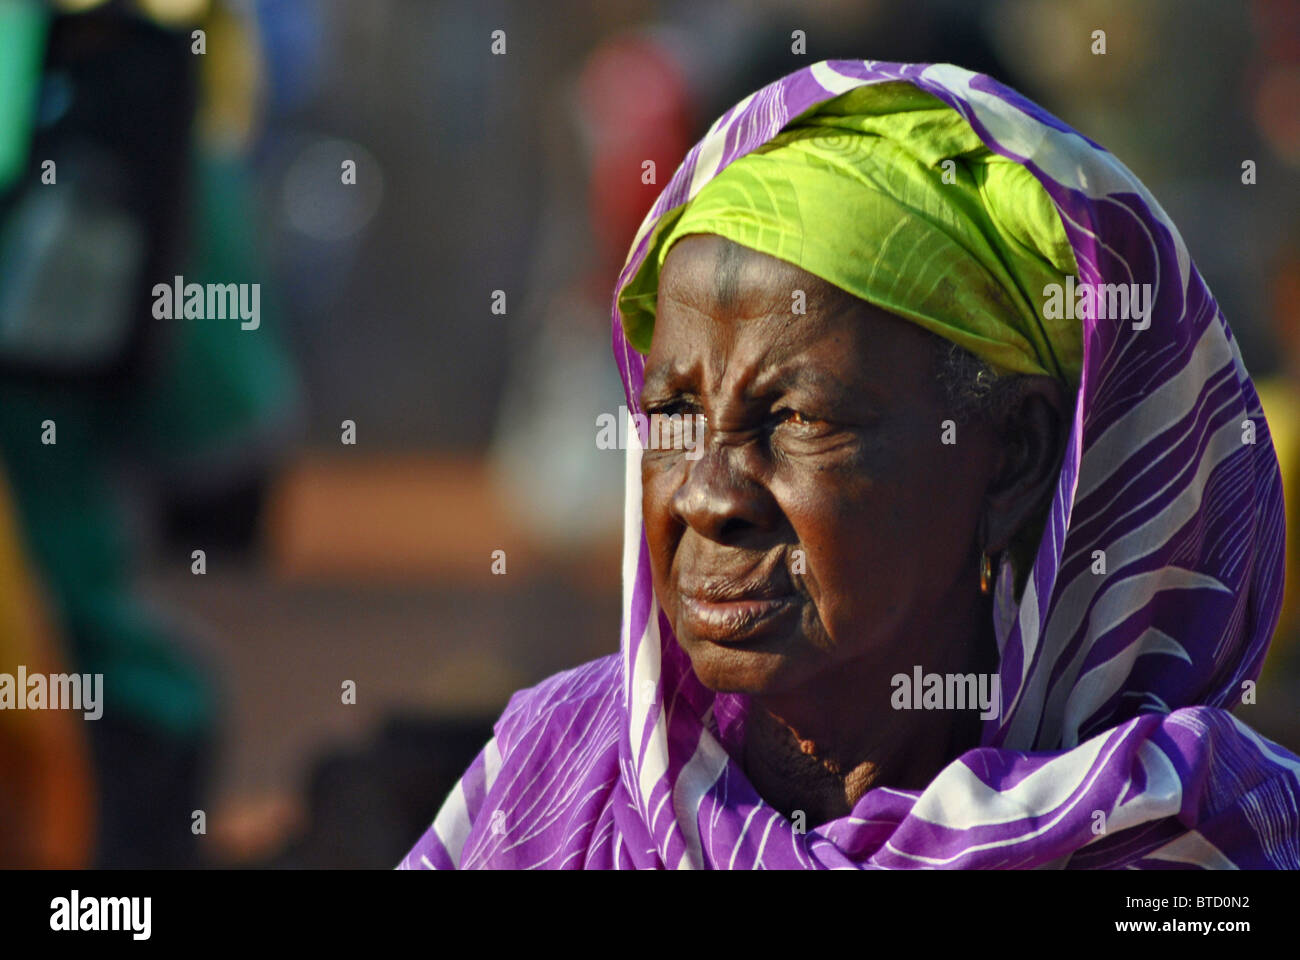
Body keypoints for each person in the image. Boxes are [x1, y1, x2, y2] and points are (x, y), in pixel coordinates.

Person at [400, 60, 1300, 869]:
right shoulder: (556, 774)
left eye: (795, 418)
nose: (708, 496)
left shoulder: (1188, 844)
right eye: (674, 412)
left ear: (1014, 457)